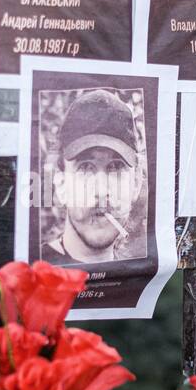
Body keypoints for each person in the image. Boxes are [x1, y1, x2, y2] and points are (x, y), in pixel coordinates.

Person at [45, 88, 144, 265]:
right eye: (85, 168)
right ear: (61, 184)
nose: (101, 191)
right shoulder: (31, 271)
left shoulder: (137, 272)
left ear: (136, 184)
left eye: (116, 167)